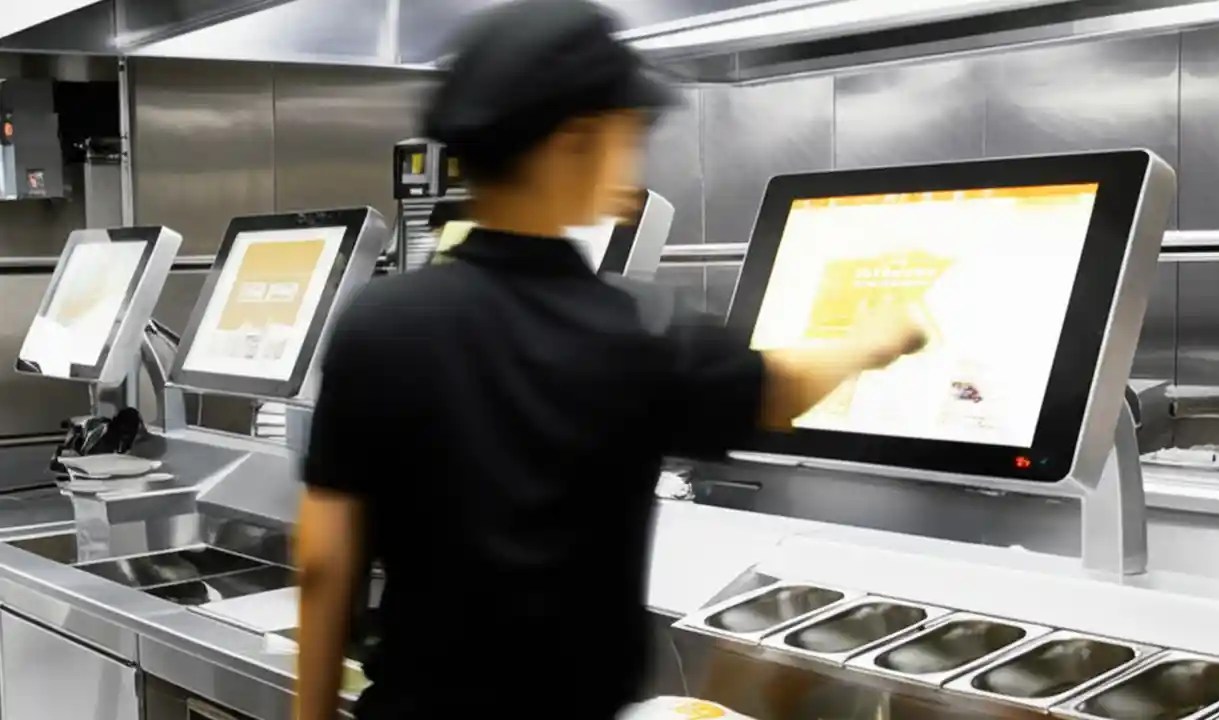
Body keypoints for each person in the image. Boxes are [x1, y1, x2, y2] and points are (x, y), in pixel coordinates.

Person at [293, 1, 927, 718]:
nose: (635, 151)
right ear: (575, 141)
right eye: (629, 133)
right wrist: (875, 340)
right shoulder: (629, 333)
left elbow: (323, 560)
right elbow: (775, 389)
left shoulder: (378, 323)